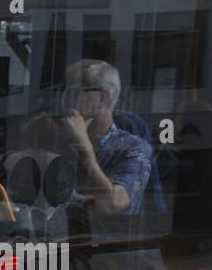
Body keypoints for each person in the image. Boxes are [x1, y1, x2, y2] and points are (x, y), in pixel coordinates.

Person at [55, 59, 154, 216]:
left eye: (74, 92)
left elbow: (113, 205)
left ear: (102, 98)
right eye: (64, 92)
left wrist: (85, 151)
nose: (65, 101)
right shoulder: (61, 141)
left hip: (109, 238)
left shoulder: (134, 148)